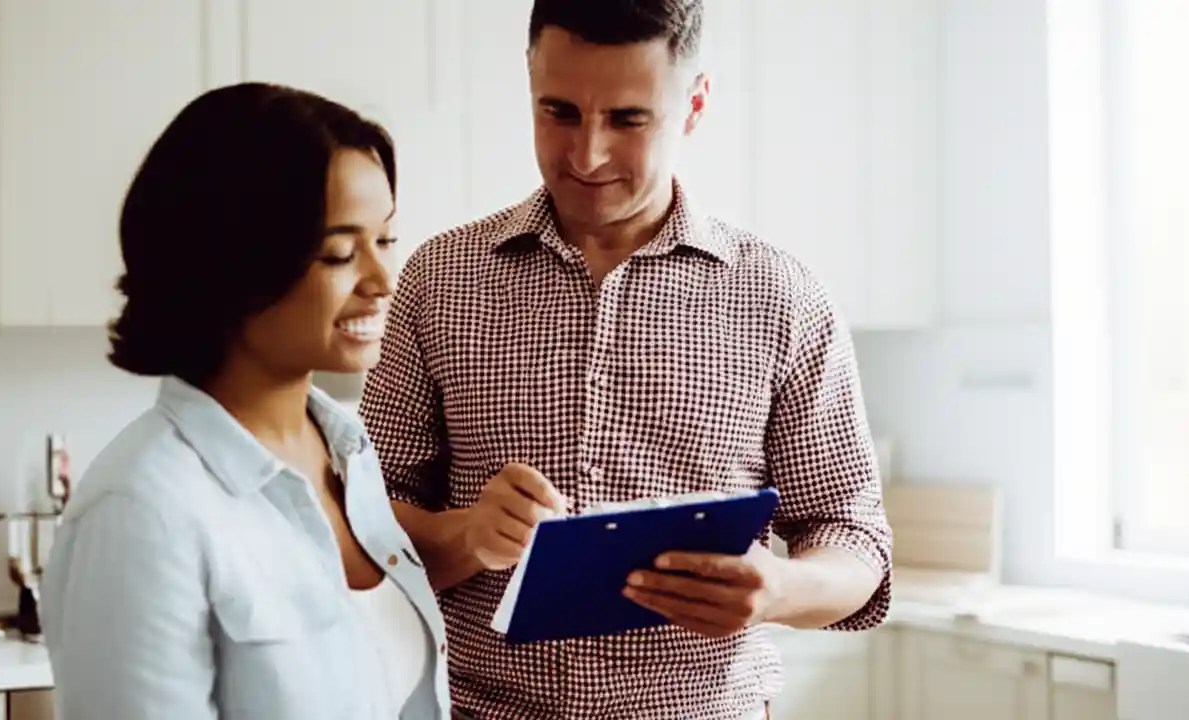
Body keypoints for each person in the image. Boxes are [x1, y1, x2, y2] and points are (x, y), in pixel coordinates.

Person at [360, 0, 893, 717]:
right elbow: (360, 526)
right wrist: (465, 534)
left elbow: (855, 540)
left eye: (628, 119)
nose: (587, 155)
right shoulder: (439, 279)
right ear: (529, 82)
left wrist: (777, 590)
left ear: (695, 104)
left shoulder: (782, 295)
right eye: (559, 112)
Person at [40, 82, 451, 720]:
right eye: (339, 252)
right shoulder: (141, 510)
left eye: (386, 240)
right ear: (231, 265)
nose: (381, 281)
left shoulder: (347, 454)